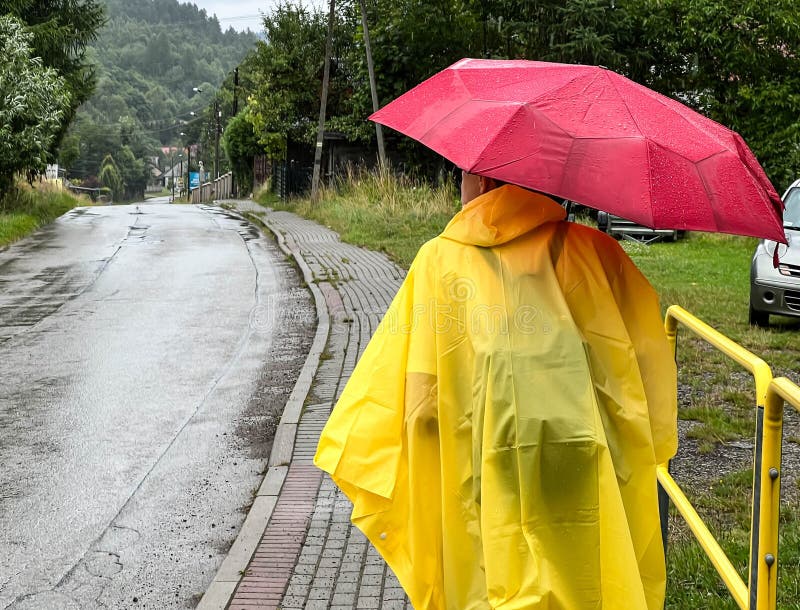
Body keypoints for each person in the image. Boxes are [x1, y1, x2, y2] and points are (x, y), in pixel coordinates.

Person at [314, 170, 678, 609]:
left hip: (484, 459)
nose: (459, 189)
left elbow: (420, 405)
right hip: (580, 453)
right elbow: (640, 373)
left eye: (462, 178)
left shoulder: (437, 261)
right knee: (581, 570)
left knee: (492, 575)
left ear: (485, 184)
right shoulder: (597, 254)